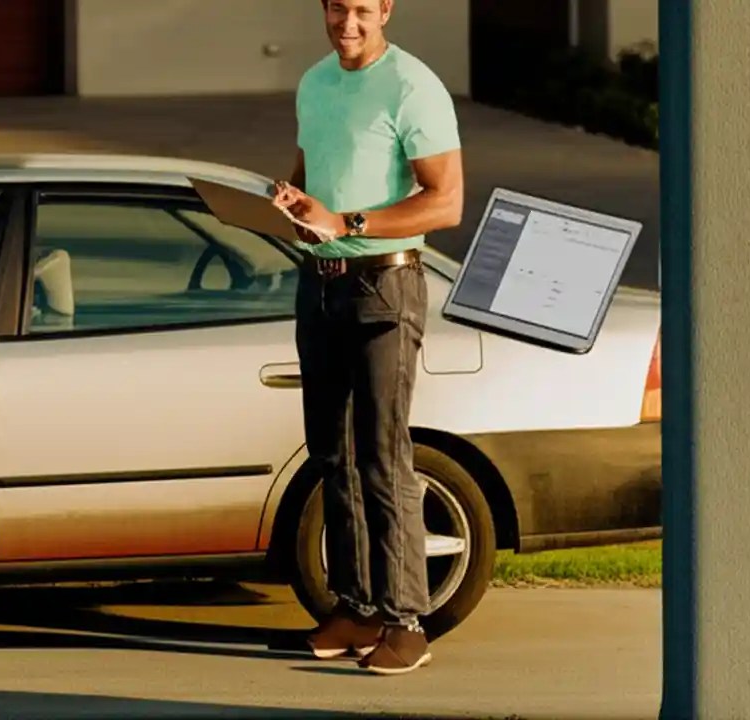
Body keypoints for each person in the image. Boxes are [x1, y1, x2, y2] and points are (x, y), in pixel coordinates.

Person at [271, 0, 464, 676]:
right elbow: (311, 176)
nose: (347, 23)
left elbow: (446, 202)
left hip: (386, 285)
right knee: (334, 453)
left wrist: (346, 220)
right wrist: (294, 203)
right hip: (321, 283)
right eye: (336, 8)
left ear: (385, 9)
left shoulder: (414, 86)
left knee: (383, 455)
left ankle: (406, 622)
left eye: (361, 9)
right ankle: (355, 608)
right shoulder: (315, 82)